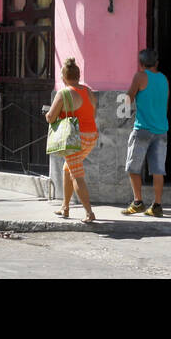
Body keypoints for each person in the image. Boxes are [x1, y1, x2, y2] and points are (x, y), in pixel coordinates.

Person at [47, 58, 97, 223]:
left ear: (63, 77)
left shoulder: (63, 93)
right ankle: (65, 207)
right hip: (91, 136)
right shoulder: (88, 90)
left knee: (76, 174)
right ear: (78, 75)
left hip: (74, 139)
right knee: (67, 168)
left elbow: (50, 117)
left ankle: (89, 213)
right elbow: (91, 111)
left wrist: (48, 113)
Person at [123, 48, 169, 217]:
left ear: (141, 64)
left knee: (133, 167)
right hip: (161, 130)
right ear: (156, 63)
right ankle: (157, 206)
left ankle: (137, 202)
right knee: (158, 170)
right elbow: (164, 104)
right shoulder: (164, 79)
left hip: (142, 128)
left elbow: (129, 96)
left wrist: (124, 110)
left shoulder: (140, 76)